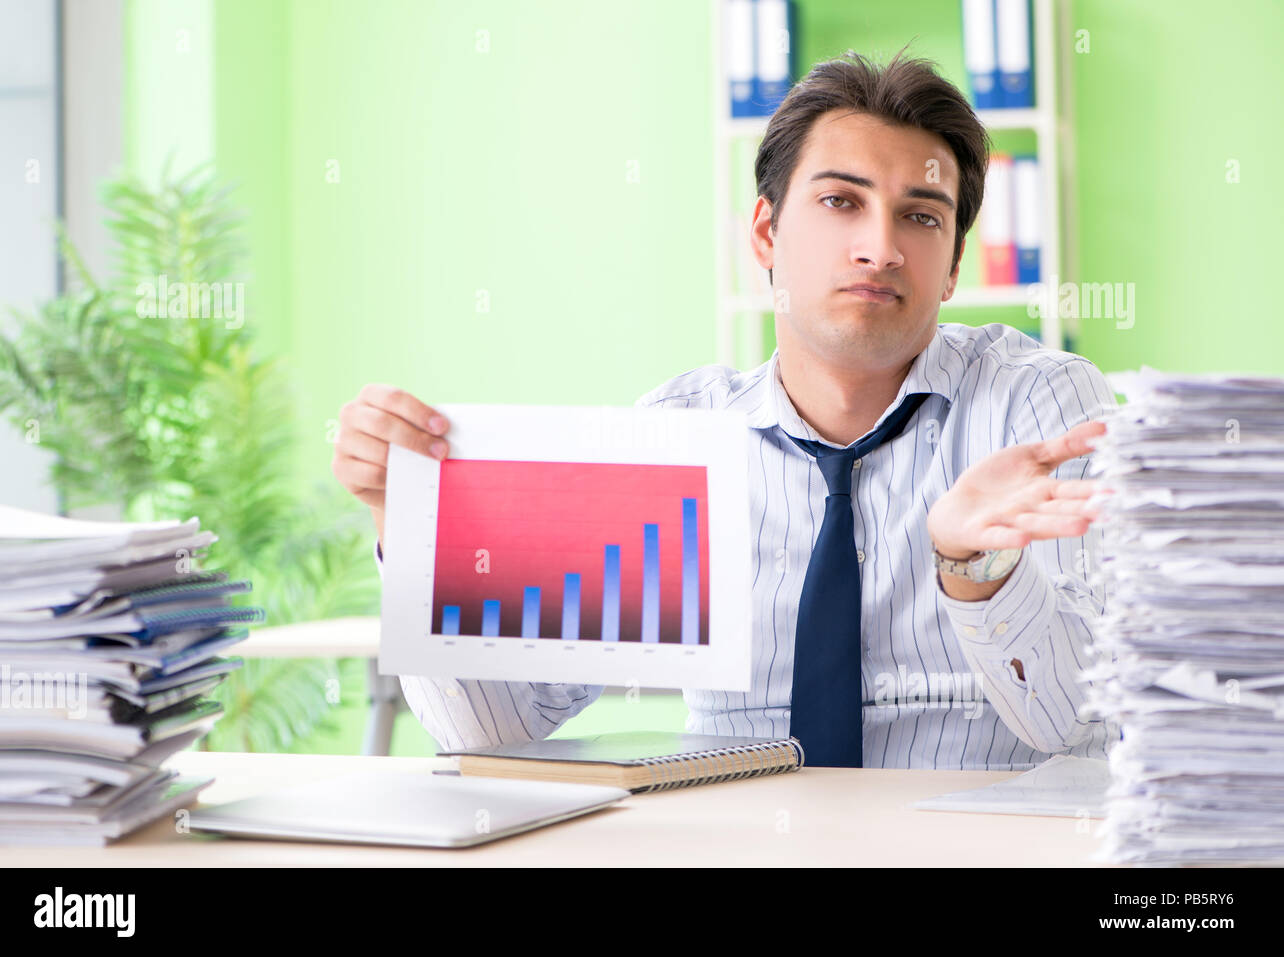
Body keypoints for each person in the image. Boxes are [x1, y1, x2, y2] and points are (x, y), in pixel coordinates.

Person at [331, 49, 1117, 770]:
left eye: (921, 216)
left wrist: (978, 569)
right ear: (767, 232)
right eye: (842, 201)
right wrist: (409, 530)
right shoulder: (677, 435)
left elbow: (1090, 723)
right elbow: (493, 732)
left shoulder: (1038, 408)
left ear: (950, 266)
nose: (880, 247)